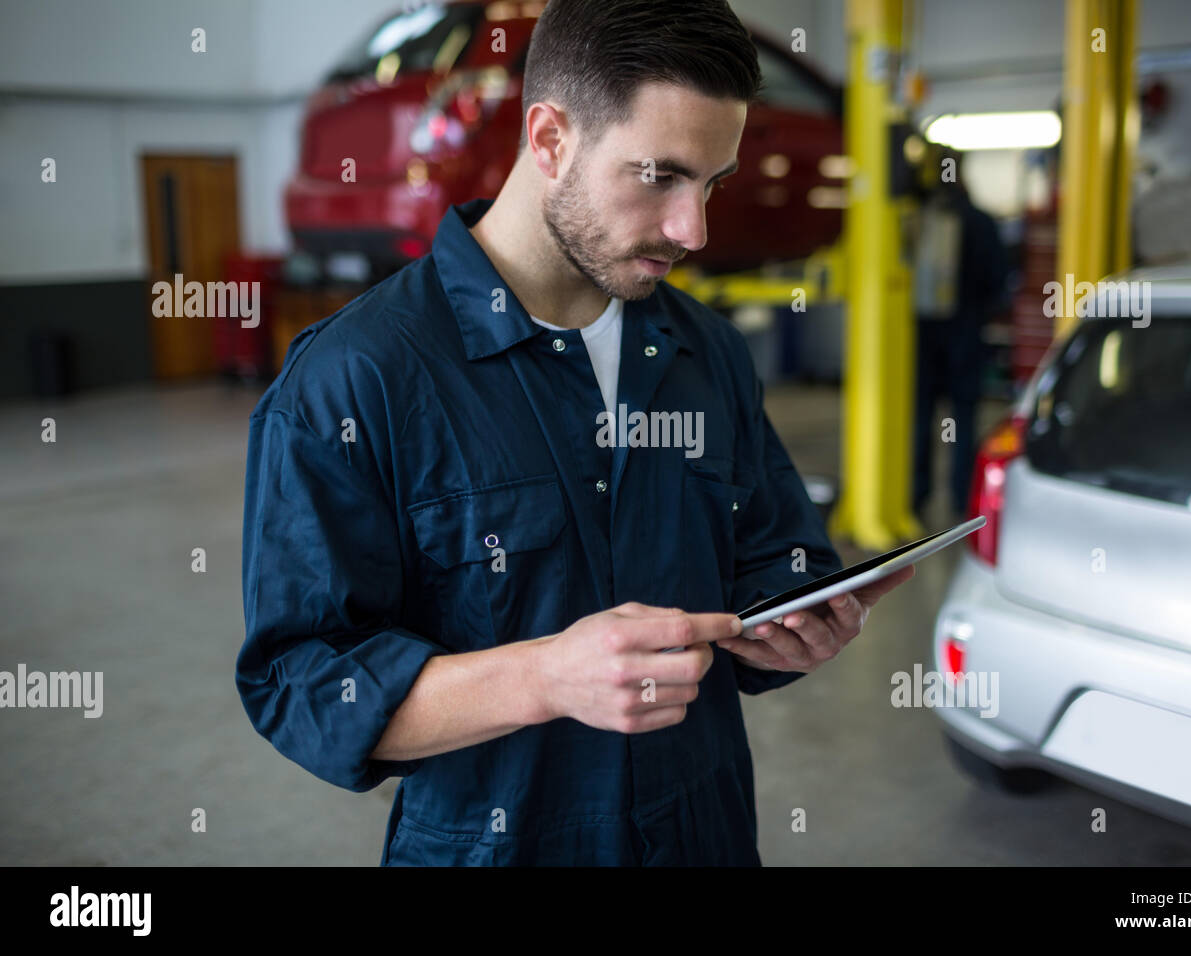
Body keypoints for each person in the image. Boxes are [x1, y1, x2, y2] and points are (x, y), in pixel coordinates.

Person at [236, 0, 914, 867]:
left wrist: (797, 624)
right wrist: (545, 677)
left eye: (712, 184)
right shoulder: (358, 378)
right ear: (550, 138)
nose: (693, 230)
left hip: (703, 836)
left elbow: (771, 562)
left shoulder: (703, 351)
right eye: (661, 176)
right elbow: (301, 686)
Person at [910, 149, 1010, 521]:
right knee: (961, 415)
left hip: (925, 332)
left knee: (922, 413)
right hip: (965, 329)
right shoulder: (979, 221)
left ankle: (916, 495)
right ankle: (958, 498)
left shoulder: (917, 217)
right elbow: (998, 278)